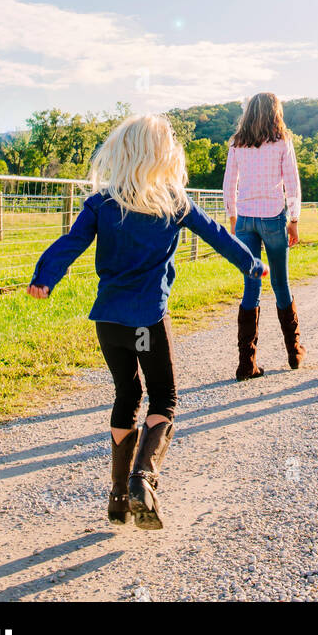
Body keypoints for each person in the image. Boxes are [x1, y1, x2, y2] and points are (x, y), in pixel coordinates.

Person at [27, 113, 266, 529]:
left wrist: (44, 278)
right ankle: (143, 479)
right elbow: (219, 235)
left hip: (108, 324)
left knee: (126, 395)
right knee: (164, 398)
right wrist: (252, 265)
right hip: (147, 322)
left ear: (121, 152)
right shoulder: (173, 202)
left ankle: (118, 496)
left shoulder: (102, 202)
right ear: (163, 156)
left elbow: (71, 243)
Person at [223, 92, 305, 380]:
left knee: (251, 287)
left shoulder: (237, 143)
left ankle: (246, 363)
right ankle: (294, 351)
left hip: (245, 219)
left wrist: (233, 217)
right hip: (273, 218)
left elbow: (229, 183)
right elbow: (292, 183)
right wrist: (294, 219)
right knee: (281, 284)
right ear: (275, 112)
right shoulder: (282, 141)